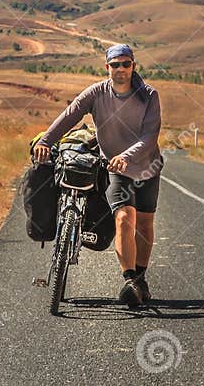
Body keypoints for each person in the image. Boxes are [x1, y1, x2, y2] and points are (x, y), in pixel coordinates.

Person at [32, 43, 163, 308]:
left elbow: (150, 135)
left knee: (144, 224)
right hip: (114, 168)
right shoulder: (96, 92)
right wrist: (45, 141)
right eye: (115, 65)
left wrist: (126, 156)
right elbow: (70, 115)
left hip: (147, 166)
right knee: (124, 218)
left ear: (133, 66)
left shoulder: (149, 95)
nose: (120, 69)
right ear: (107, 67)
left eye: (126, 64)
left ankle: (141, 278)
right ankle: (129, 280)